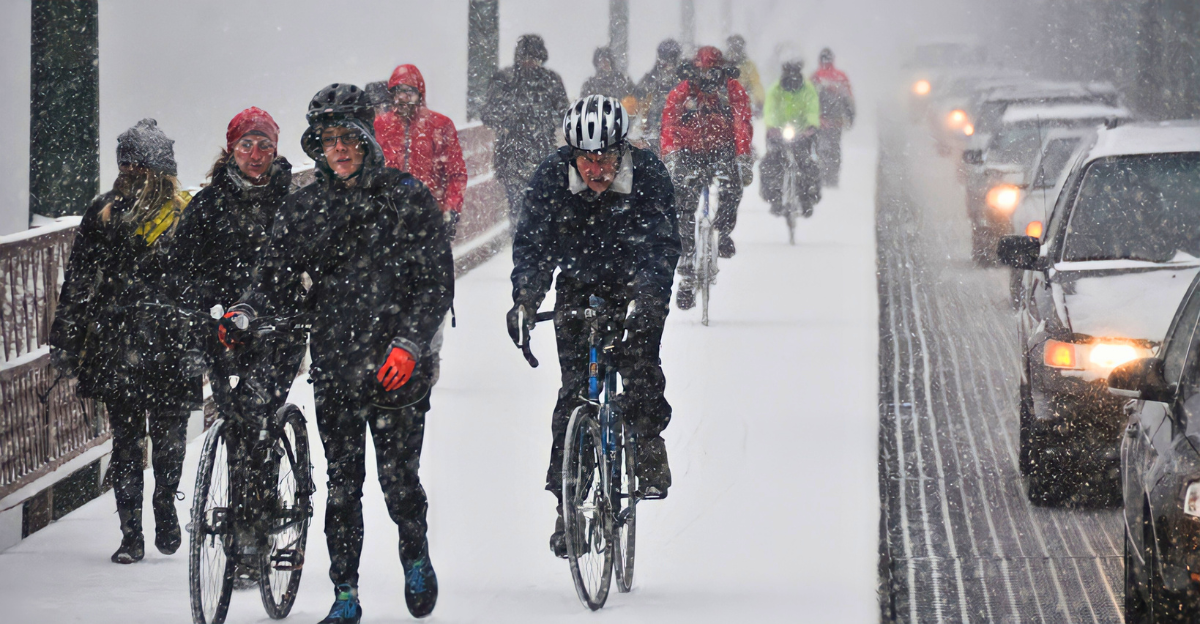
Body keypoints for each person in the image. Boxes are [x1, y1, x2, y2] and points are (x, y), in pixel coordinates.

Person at [224, 84, 454, 623]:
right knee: (342, 488)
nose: (340, 149)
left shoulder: (407, 197)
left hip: (397, 368)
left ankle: (415, 553)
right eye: (329, 140)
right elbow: (272, 279)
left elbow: (434, 283)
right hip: (335, 365)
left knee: (400, 482)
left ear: (369, 140)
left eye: (349, 138)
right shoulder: (304, 208)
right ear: (317, 146)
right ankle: (344, 594)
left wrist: (410, 344)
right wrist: (244, 313)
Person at [508, 95, 680, 558]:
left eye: (604, 157)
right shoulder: (551, 177)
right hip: (579, 285)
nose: (595, 168)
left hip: (636, 281)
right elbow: (534, 245)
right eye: (586, 158)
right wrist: (525, 299)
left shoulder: (649, 176)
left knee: (639, 360)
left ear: (622, 149)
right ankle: (567, 504)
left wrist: (647, 301)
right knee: (574, 392)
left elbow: (662, 246)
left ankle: (647, 439)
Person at [49, 119, 194, 564]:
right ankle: (131, 534)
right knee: (128, 441)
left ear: (157, 167)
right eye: (124, 162)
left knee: (168, 441)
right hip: (120, 344)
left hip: (168, 341)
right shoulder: (104, 211)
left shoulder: (186, 213)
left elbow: (201, 277)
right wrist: (67, 339)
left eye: (137, 162)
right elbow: (78, 280)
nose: (128, 169)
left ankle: (165, 506)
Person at [374, 64, 467, 386]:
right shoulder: (379, 126)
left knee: (433, 288)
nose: (403, 98)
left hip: (430, 224)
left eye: (409, 91)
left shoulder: (440, 126)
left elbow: (456, 173)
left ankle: (430, 350)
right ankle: (395, 347)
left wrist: (451, 210)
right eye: (398, 91)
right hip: (387, 224)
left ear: (420, 93)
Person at [659, 45, 753, 308]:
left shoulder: (732, 90)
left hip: (722, 149)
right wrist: (672, 154)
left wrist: (743, 156)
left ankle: (723, 232)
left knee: (732, 187)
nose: (708, 79)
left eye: (713, 72)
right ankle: (687, 260)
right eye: (703, 73)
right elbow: (669, 122)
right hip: (689, 152)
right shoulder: (682, 91)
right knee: (681, 202)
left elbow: (741, 122)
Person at [481, 34, 569, 224]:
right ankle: (524, 247)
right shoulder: (503, 79)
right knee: (519, 210)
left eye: (534, 58)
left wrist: (543, 118)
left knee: (540, 210)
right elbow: (487, 113)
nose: (530, 63)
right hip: (513, 158)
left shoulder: (550, 80)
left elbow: (564, 113)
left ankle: (534, 245)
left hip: (541, 155)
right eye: (526, 58)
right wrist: (511, 119)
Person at [760, 59, 822, 217]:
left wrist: (811, 126)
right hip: (778, 133)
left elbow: (812, 109)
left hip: (802, 133)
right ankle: (774, 198)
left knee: (806, 162)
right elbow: (770, 110)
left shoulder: (808, 89)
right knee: (772, 162)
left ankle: (807, 198)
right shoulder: (775, 89)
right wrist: (772, 127)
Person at [810, 48, 856, 187]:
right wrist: (850, 116)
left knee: (820, 149)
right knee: (834, 150)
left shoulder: (816, 76)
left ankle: (820, 175)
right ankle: (832, 178)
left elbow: (808, 99)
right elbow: (848, 99)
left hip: (819, 120)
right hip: (836, 121)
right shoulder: (841, 76)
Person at [633, 39, 683, 155]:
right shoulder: (650, 80)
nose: (668, 64)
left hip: (676, 132)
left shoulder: (682, 79)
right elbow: (638, 104)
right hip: (654, 131)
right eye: (666, 58)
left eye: (671, 58)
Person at [726, 35, 765, 117]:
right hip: (726, 105)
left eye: (737, 48)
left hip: (742, 105)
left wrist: (759, 101)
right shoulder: (723, 65)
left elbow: (755, 84)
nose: (736, 52)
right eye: (734, 48)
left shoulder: (748, 66)